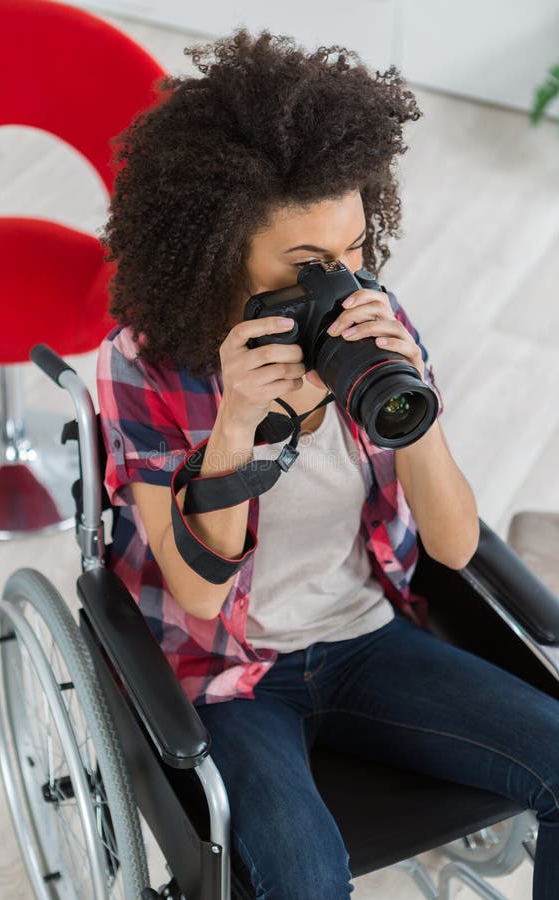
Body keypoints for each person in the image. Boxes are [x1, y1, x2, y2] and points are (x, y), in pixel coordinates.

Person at [96, 29, 559, 899]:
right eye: (310, 266)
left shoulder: (374, 325)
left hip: (365, 638)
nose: (343, 286)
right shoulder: (143, 366)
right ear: (221, 253)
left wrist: (411, 400)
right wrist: (236, 428)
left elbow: (454, 547)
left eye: (355, 253)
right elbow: (196, 595)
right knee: (304, 882)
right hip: (226, 678)